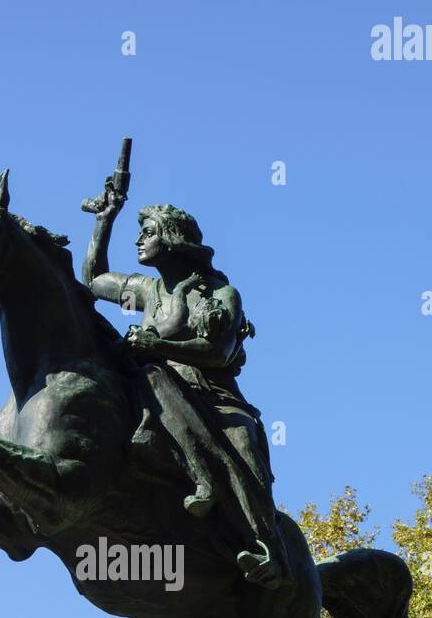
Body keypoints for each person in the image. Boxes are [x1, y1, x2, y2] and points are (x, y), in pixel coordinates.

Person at [82, 181, 291, 586]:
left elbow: (218, 351)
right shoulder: (147, 291)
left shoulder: (220, 293)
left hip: (212, 399)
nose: (140, 239)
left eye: (149, 231)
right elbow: (94, 280)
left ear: (173, 239)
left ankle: (267, 549)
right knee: (142, 381)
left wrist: (157, 345)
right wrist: (104, 221)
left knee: (242, 441)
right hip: (151, 388)